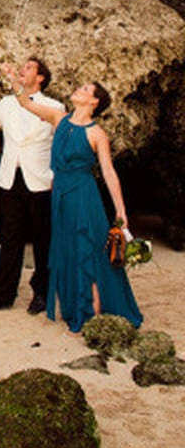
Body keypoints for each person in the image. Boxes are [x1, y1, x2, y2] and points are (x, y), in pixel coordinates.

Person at [12, 72, 143, 334]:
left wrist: (120, 209)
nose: (78, 90)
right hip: (60, 194)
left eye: (85, 89)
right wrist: (15, 81)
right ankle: (75, 306)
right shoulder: (59, 119)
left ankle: (91, 310)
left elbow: (108, 172)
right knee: (67, 249)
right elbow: (26, 103)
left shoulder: (97, 133)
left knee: (89, 249)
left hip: (83, 196)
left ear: (94, 102)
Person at [0, 56, 65, 314]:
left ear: (40, 78)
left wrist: (54, 176)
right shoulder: (6, 103)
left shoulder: (54, 105)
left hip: (40, 180)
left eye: (28, 67)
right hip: (9, 178)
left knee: (42, 239)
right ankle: (3, 295)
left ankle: (41, 293)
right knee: (10, 239)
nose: (22, 69)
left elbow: (60, 145)